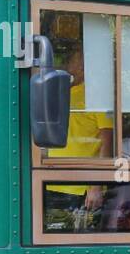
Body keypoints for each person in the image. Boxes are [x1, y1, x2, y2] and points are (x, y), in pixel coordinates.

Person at [43, 36, 113, 224]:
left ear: (83, 65)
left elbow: (107, 139)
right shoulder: (61, 90)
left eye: (71, 58)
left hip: (80, 188)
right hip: (52, 181)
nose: (66, 63)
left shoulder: (95, 95)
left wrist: (96, 185)